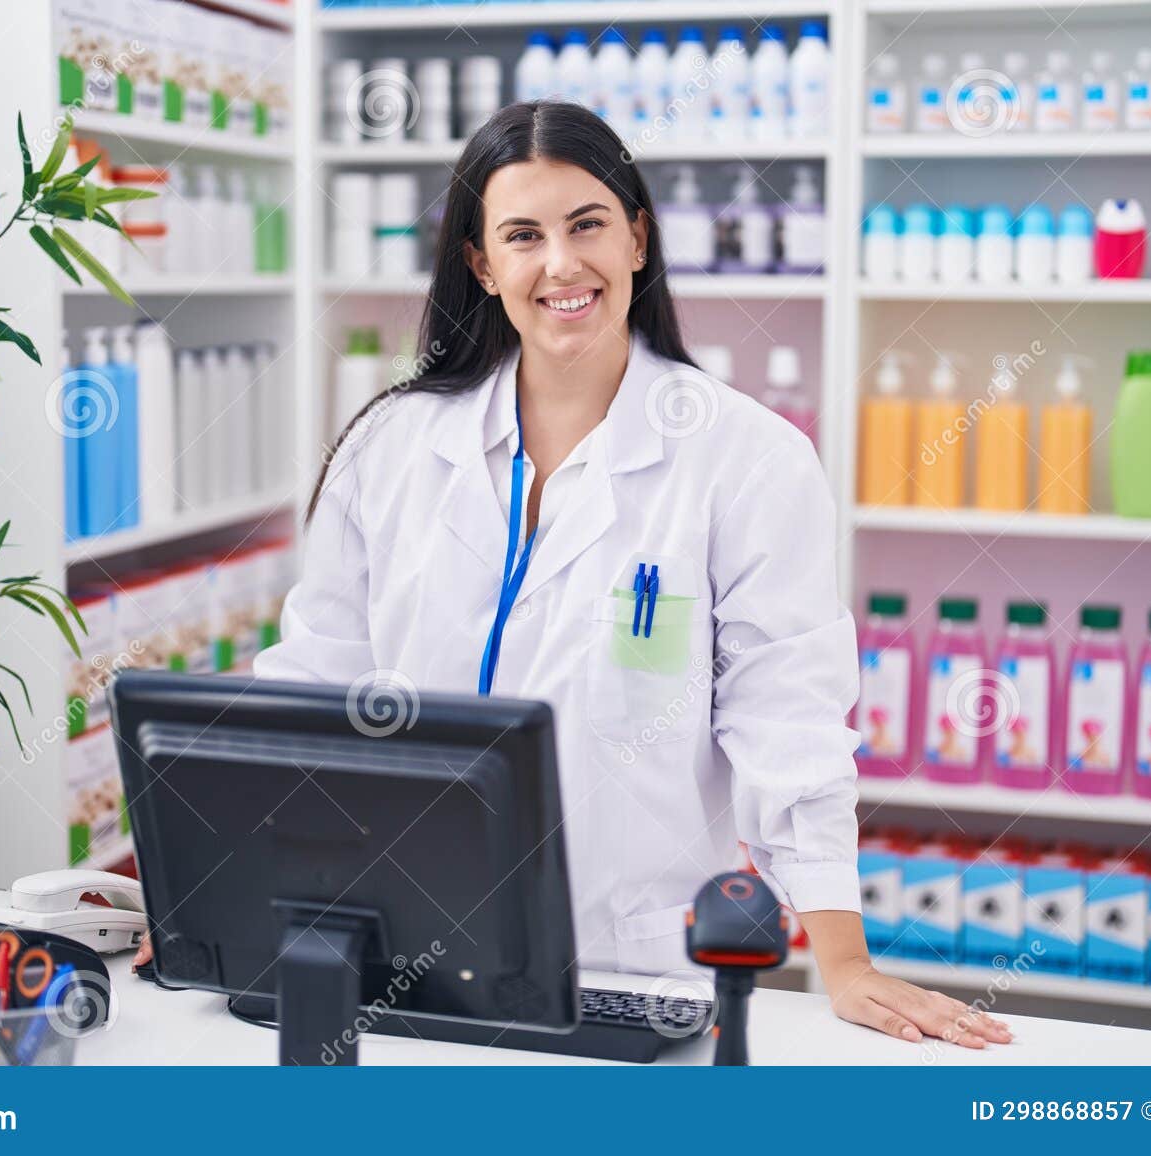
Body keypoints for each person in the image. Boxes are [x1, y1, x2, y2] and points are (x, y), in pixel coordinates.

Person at [136, 101, 1009, 1050]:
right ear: (481, 263)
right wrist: (215, 890)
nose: (561, 264)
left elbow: (785, 716)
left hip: (626, 971)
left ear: (637, 237)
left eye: (587, 224)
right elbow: (314, 685)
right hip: (394, 953)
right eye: (522, 236)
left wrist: (843, 959)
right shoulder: (389, 445)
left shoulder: (746, 457)